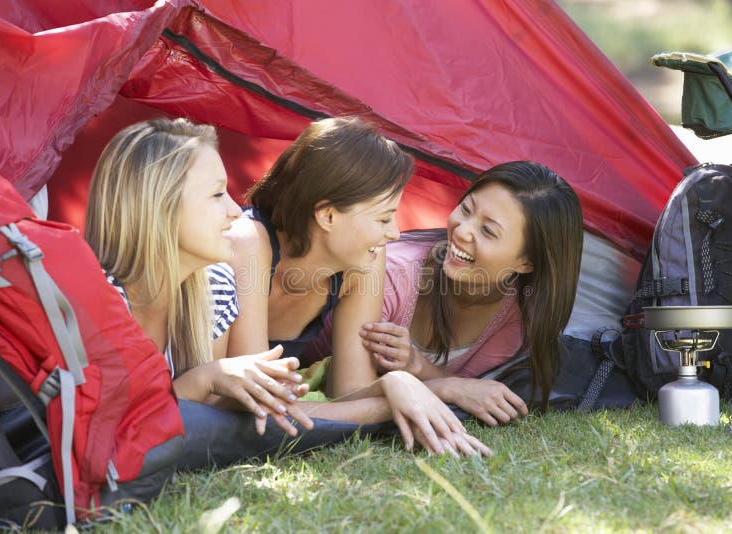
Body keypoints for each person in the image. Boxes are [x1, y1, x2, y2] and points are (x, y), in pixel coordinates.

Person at [86, 117, 487, 464]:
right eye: (215, 194)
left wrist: (403, 382)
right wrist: (409, 392)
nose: (232, 208)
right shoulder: (237, 251)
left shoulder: (211, 291)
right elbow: (236, 413)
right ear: (327, 215)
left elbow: (220, 409)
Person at [219, 117, 489, 456]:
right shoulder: (248, 245)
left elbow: (348, 392)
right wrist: (404, 397)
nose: (393, 233)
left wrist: (404, 382)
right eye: (382, 218)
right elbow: (260, 410)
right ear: (327, 216)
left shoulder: (363, 262)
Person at [306, 161, 584, 424]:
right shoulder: (391, 274)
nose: (463, 231)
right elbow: (344, 395)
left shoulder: (518, 318)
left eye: (487, 230)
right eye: (466, 209)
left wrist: (419, 367)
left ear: (526, 262)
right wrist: (445, 388)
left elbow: (466, 387)